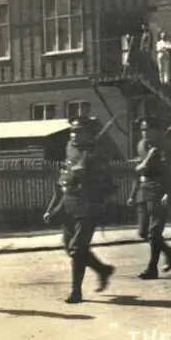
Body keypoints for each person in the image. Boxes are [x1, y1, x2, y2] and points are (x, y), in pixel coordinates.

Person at [44, 117, 116, 303]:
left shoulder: (98, 155)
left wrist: (88, 176)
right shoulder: (70, 147)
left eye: (79, 131)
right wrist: (53, 206)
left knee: (77, 249)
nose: (74, 135)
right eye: (72, 131)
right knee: (70, 248)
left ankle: (76, 292)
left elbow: (110, 187)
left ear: (89, 134)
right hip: (69, 204)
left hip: (88, 206)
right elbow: (64, 177)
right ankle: (102, 269)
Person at [127, 116, 171, 279]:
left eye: (148, 129)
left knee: (154, 232)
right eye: (142, 129)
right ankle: (169, 252)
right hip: (143, 190)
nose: (144, 132)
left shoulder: (164, 148)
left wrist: (167, 192)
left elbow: (169, 172)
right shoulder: (142, 145)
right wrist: (133, 193)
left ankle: (152, 268)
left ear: (156, 131)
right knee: (143, 232)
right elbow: (140, 172)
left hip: (158, 190)